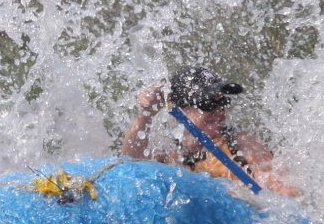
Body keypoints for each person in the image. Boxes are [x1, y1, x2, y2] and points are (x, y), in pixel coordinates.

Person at [119, 64, 299, 196]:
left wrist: (244, 196)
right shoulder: (170, 154)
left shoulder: (241, 144)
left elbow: (286, 192)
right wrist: (145, 115)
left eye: (223, 101)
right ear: (181, 111)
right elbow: (131, 166)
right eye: (208, 103)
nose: (219, 110)